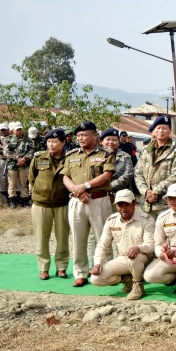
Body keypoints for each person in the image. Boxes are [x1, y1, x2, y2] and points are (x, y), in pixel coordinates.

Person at [61, 122, 116, 287]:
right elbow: (65, 176)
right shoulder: (71, 155)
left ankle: (107, 271)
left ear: (95, 136)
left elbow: (107, 175)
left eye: (84, 135)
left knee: (103, 238)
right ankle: (80, 273)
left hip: (99, 200)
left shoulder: (106, 154)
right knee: (78, 239)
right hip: (77, 201)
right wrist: (77, 190)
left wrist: (85, 186)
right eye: (78, 136)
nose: (80, 138)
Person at [90, 189, 155, 300]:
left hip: (144, 258)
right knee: (96, 279)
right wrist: (97, 263)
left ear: (134, 204)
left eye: (127, 205)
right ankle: (127, 279)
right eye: (120, 205)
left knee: (133, 259)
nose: (123, 208)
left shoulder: (146, 219)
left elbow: (151, 245)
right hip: (123, 258)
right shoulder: (112, 220)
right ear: (116, 206)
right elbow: (102, 245)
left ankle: (138, 285)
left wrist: (138, 248)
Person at [28, 128, 70, 280]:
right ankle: (43, 268)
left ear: (63, 142)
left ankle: (62, 267)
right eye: (49, 142)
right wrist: (39, 192)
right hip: (41, 203)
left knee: (63, 237)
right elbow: (32, 178)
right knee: (41, 238)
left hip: (63, 203)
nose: (51, 145)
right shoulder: (39, 157)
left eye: (55, 141)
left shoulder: (70, 158)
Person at [135, 115, 176, 219]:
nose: (161, 131)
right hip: (146, 204)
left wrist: (155, 191)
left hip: (165, 204)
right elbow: (138, 173)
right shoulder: (145, 150)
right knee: (147, 235)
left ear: (170, 131)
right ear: (153, 131)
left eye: (164, 128)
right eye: (158, 128)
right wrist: (146, 192)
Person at [4, 121, 35, 208]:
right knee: (12, 184)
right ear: (13, 130)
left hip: (24, 165)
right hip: (12, 165)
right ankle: (12, 201)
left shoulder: (28, 140)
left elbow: (31, 151)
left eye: (20, 129)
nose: (19, 131)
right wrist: (17, 158)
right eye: (17, 129)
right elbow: (6, 151)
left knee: (23, 183)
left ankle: (24, 200)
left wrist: (24, 159)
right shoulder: (8, 139)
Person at [99, 128, 134, 195]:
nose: (111, 142)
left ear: (118, 142)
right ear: (101, 141)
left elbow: (128, 175)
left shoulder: (125, 156)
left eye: (114, 140)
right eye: (108, 139)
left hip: (121, 194)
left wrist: (108, 188)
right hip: (99, 194)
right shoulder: (95, 157)